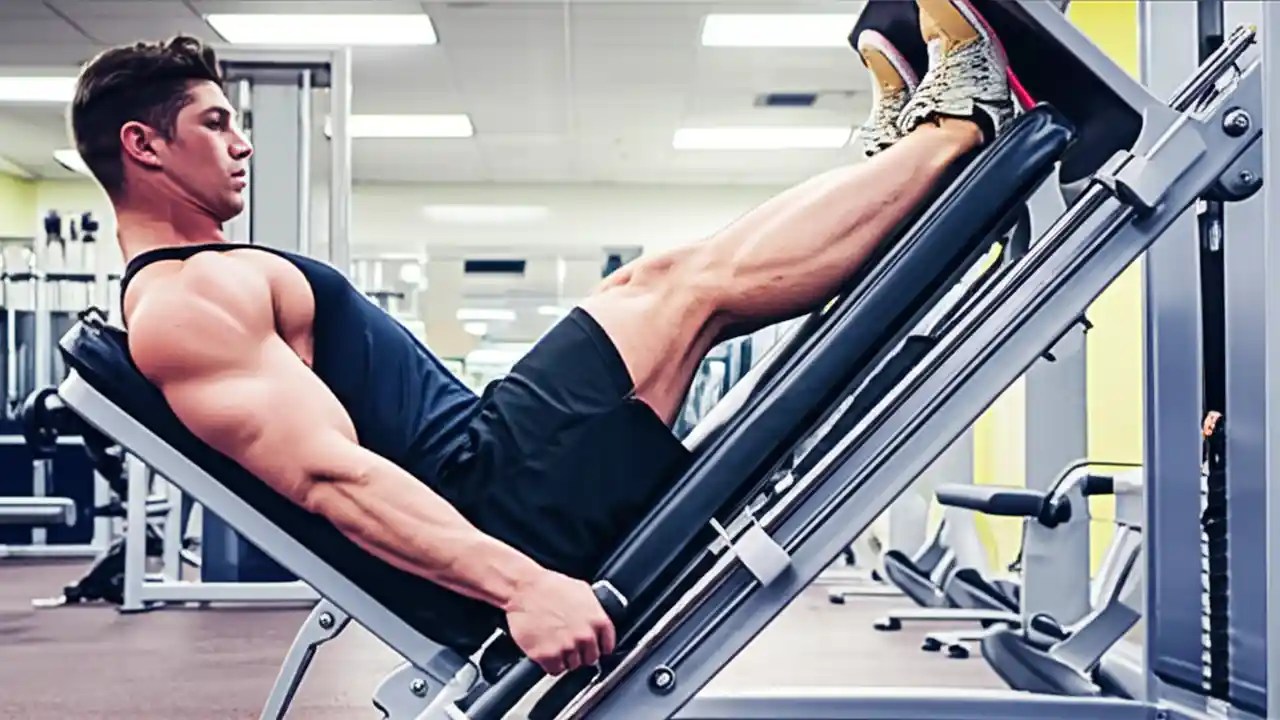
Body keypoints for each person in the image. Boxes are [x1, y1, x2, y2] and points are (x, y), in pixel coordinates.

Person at [70, 0, 1020, 677]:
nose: (241, 143)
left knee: (660, 283)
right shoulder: (184, 306)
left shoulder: (203, 283)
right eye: (216, 124)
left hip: (490, 466)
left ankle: (911, 154)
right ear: (144, 148)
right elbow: (331, 480)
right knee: (683, 289)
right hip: (496, 502)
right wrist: (524, 588)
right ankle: (959, 127)